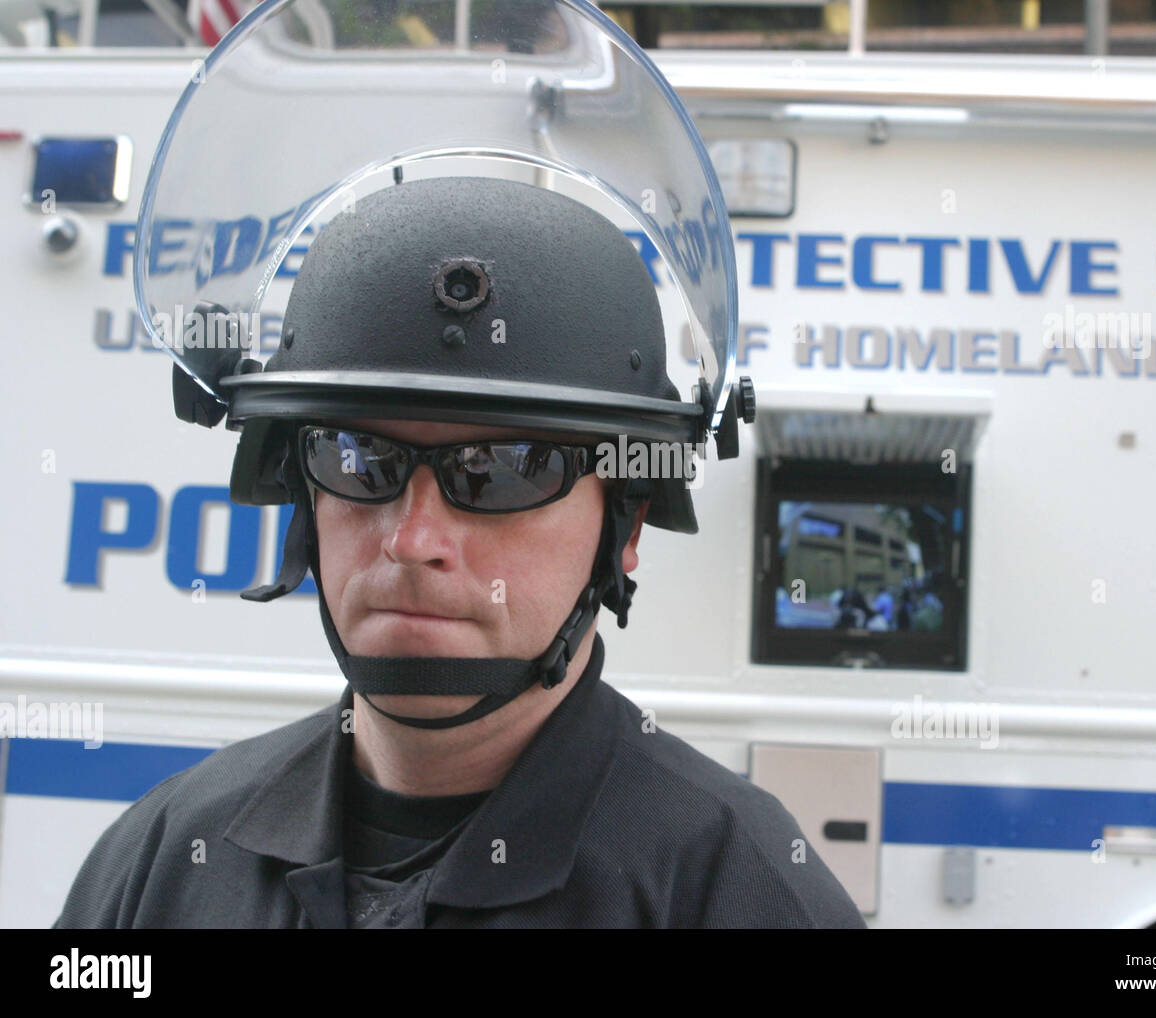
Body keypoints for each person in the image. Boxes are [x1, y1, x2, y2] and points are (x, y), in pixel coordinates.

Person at [53, 168, 865, 928]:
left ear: (627, 523)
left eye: (504, 470)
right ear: (303, 490)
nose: (412, 541)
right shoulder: (164, 859)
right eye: (358, 459)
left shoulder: (736, 888)